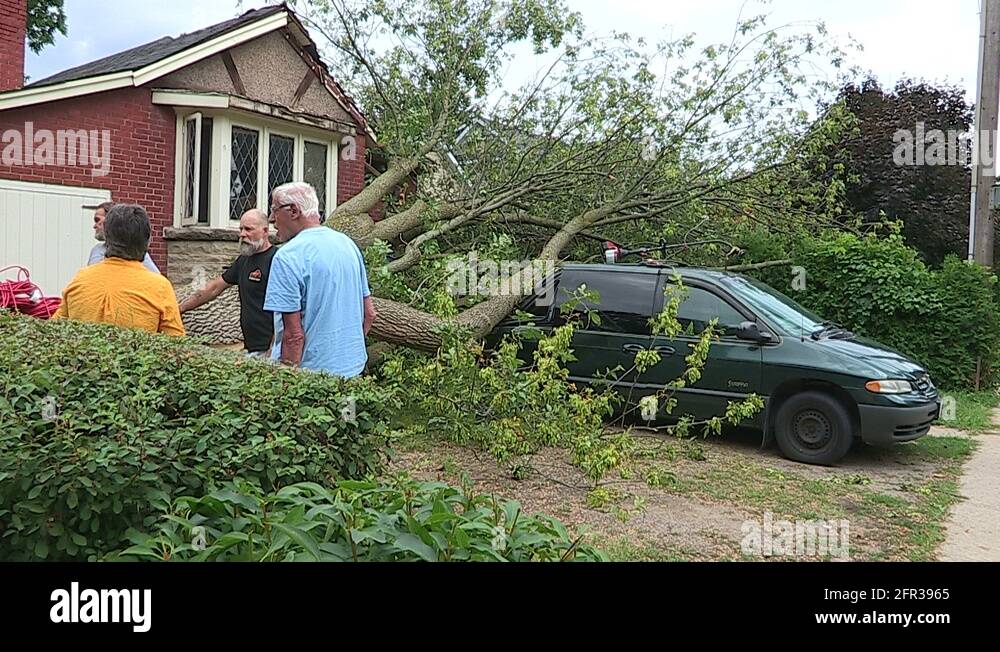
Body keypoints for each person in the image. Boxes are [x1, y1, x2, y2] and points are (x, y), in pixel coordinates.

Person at [264, 182, 377, 376]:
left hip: (311, 378)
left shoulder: (288, 256)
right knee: (347, 408)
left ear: (293, 211)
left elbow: (294, 337)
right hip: (353, 371)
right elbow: (369, 314)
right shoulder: (348, 245)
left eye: (274, 210)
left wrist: (285, 384)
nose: (272, 220)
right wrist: (345, 355)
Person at [53, 204, 184, 336]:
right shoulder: (161, 287)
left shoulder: (80, 278)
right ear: (148, 241)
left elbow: (53, 331)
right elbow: (177, 346)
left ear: (107, 237)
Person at [178, 209, 276, 356]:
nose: (242, 234)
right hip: (250, 348)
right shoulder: (244, 260)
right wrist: (180, 308)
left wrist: (273, 351)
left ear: (265, 231)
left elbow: (284, 311)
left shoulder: (277, 260)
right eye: (241, 229)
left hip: (269, 350)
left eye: (248, 229)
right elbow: (214, 288)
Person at [83, 201, 160, 273]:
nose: (94, 226)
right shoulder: (97, 249)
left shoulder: (136, 253)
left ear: (110, 220)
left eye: (97, 220)